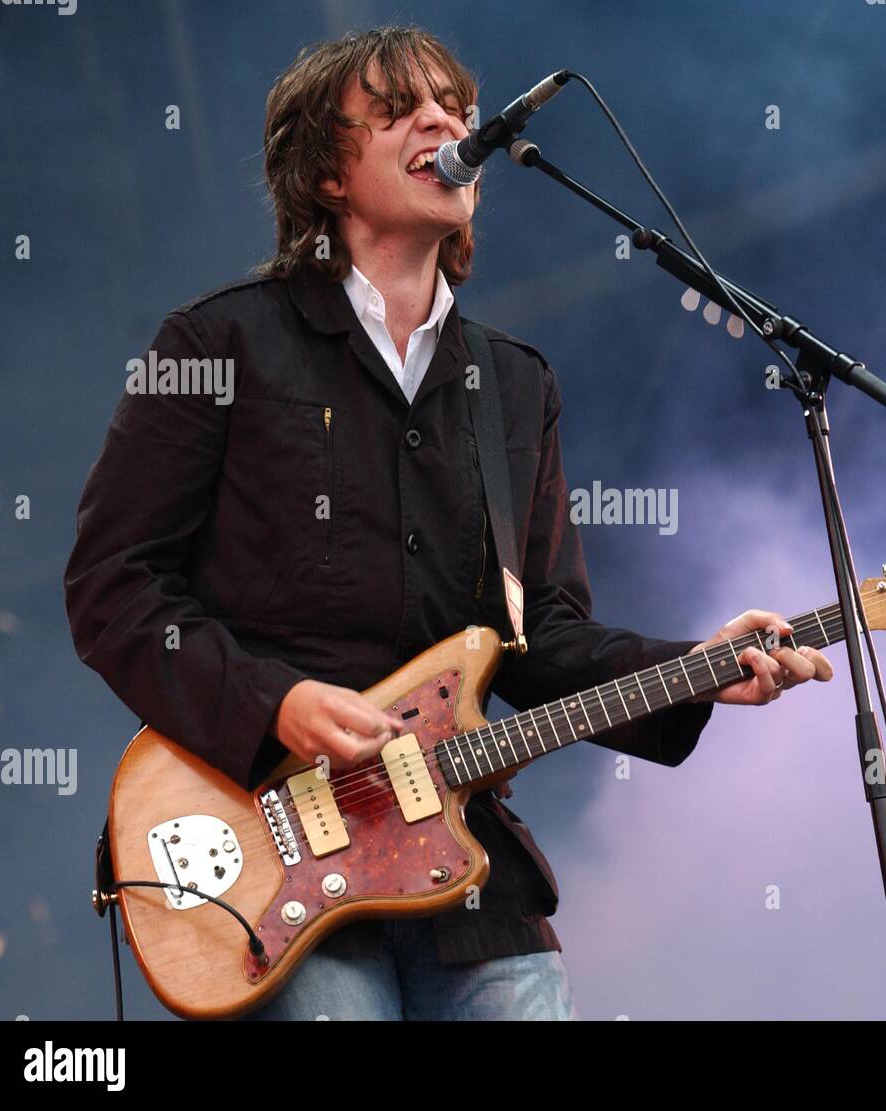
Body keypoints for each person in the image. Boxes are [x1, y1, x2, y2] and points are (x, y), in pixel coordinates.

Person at [64, 25, 833, 1021]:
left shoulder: (510, 385)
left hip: (464, 872)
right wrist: (275, 702)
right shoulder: (218, 344)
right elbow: (113, 585)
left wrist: (697, 663)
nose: (445, 122)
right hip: (262, 845)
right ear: (326, 174)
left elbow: (540, 633)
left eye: (455, 108)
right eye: (398, 110)